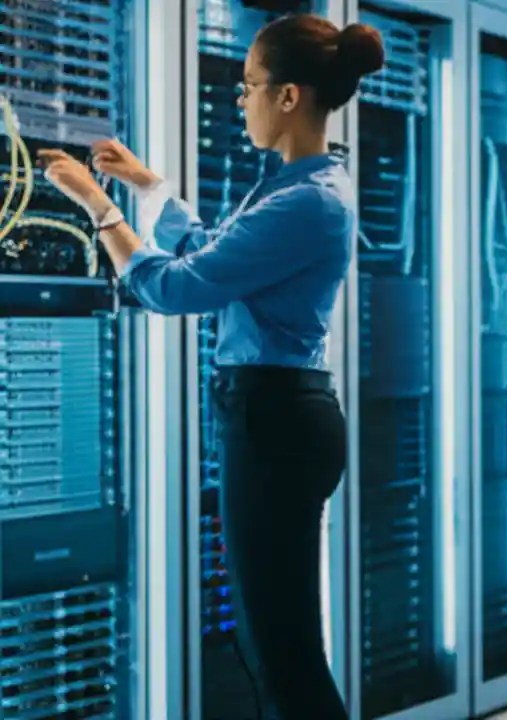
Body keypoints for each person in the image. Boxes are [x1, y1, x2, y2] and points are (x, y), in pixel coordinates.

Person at [39, 14, 385, 719]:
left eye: (250, 86)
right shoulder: (297, 185)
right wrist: (146, 186)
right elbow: (210, 246)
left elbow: (176, 287)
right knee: (274, 643)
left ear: (288, 97)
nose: (241, 99)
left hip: (276, 423)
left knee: (282, 652)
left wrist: (99, 207)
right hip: (276, 416)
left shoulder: (306, 202)